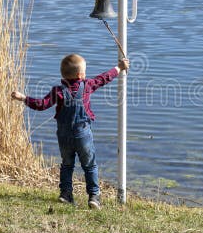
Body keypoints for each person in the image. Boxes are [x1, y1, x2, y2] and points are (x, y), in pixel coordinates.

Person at [11, 54, 130, 209]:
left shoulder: (58, 91)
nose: (86, 74)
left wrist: (23, 98)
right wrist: (119, 68)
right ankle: (94, 196)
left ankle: (66, 194)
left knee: (67, 165)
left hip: (64, 136)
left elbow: (41, 104)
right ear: (80, 75)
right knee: (90, 165)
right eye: (85, 72)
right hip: (83, 134)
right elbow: (103, 78)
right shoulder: (87, 86)